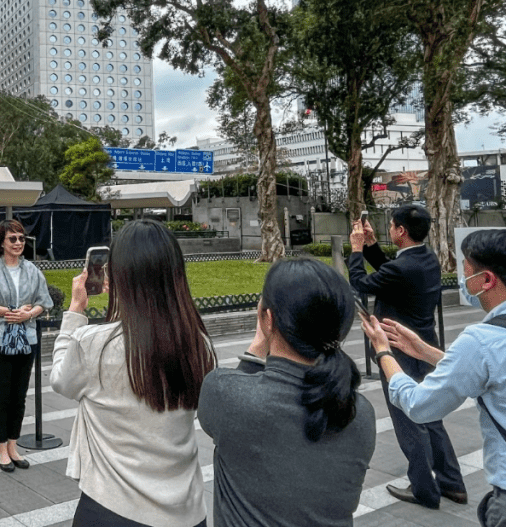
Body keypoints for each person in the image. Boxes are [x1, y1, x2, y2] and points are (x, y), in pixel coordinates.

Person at [50, 219, 214, 527]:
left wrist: (74, 313)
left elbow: (60, 379)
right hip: (187, 512)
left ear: (118, 276)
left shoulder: (94, 344)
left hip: (110, 508)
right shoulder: (199, 344)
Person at [199, 258, 376, 527]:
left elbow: (234, 400)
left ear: (268, 319)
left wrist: (258, 345)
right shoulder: (361, 414)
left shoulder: (225, 392)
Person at [360, 229, 506, 527]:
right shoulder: (486, 346)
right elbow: (493, 371)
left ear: (487, 280)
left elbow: (418, 406)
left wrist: (383, 353)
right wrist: (425, 351)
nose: (463, 277)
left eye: (466, 268)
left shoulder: (480, 341)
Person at [348, 205, 467, 508]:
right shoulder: (426, 259)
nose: (387, 229)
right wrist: (373, 246)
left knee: (408, 420)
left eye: (390, 226)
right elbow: (389, 272)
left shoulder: (402, 268)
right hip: (426, 347)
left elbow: (361, 283)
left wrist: (358, 249)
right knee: (432, 416)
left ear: (401, 231)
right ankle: (452, 483)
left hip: (400, 351)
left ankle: (424, 490)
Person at [0, 219, 54, 473]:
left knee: (19, 397)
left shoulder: (32, 271)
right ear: (1, 242)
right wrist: (12, 312)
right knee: (3, 397)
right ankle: (1, 449)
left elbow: (44, 301)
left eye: (21, 238)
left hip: (26, 340)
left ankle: (13, 445)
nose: (18, 243)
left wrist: (29, 315)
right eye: (12, 239)